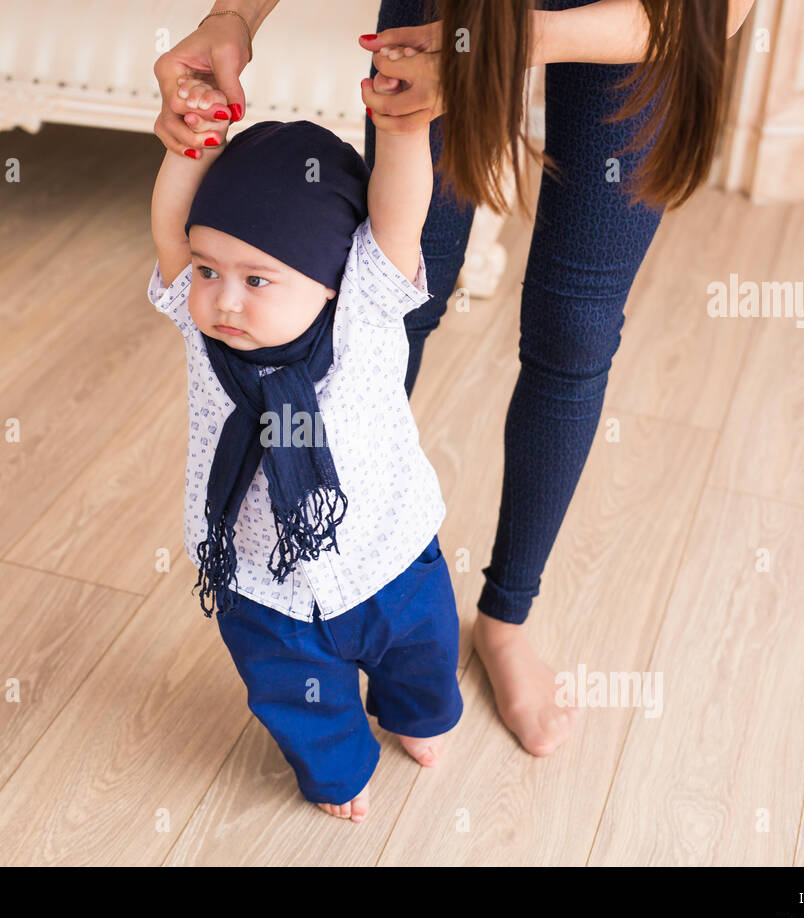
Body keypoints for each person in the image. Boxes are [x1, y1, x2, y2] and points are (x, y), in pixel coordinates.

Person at [153, 0, 756, 759]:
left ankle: (505, 621)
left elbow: (716, 14)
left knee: (574, 329)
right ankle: (350, 566)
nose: (225, 294)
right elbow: (211, 247)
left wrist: (505, 49)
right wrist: (233, 14)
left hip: (647, 20)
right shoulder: (206, 310)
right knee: (393, 300)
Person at [148, 103, 461, 822]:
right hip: (267, 587)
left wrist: (406, 128)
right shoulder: (203, 336)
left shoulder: (364, 310)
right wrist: (191, 146)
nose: (224, 300)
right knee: (292, 695)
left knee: (423, 661)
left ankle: (414, 713)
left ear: (330, 280)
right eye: (207, 271)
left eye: (257, 280)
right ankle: (339, 768)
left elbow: (397, 214)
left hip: (390, 559)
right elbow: (172, 228)